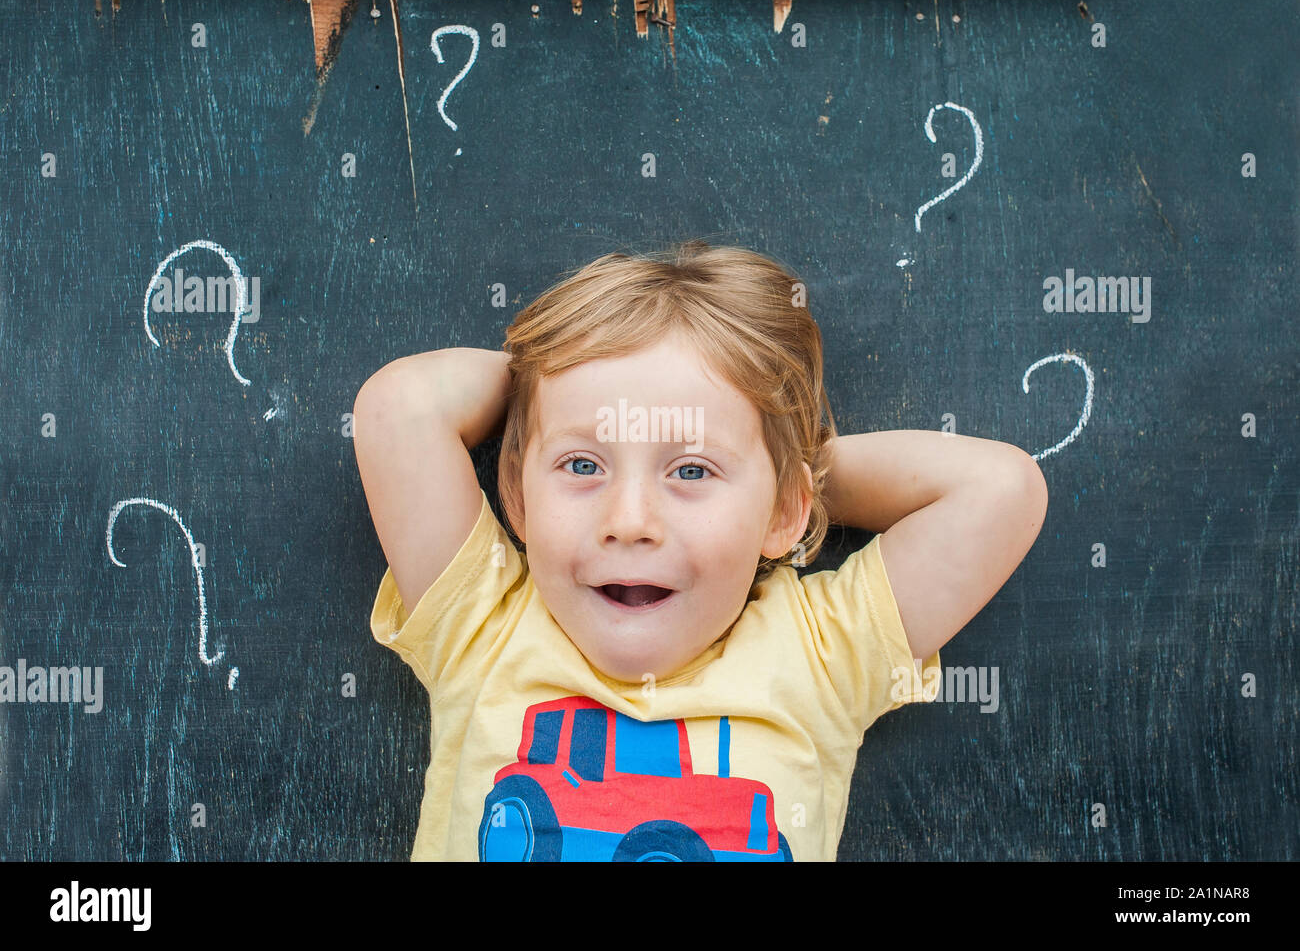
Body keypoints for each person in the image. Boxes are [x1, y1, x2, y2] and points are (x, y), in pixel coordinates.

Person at [353, 240, 1047, 861]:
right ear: (519, 492)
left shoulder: (819, 653)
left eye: (691, 471)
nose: (629, 522)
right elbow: (399, 410)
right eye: (582, 465)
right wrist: (548, 375)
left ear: (784, 510)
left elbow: (1000, 489)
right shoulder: (482, 629)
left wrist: (786, 470)